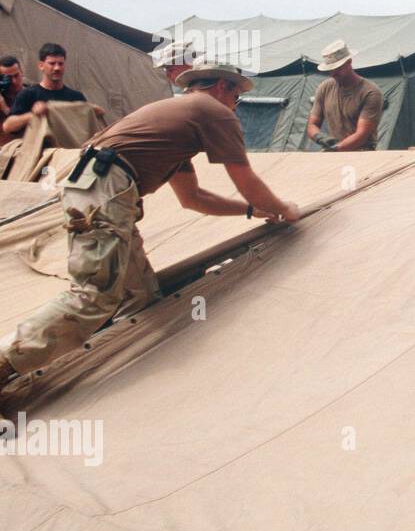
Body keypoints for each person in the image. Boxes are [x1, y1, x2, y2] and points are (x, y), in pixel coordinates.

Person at [0, 63, 301, 386]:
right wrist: (284, 209)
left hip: (99, 190)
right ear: (221, 88)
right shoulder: (213, 111)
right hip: (106, 192)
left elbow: (193, 197)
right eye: (236, 97)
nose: (235, 106)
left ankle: (107, 360)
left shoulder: (177, 121)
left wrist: (250, 211)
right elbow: (245, 178)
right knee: (94, 294)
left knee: (139, 294)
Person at [0, 43, 105, 137]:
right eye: (52, 63)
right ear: (41, 65)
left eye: (60, 63)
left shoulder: (76, 97)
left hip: (70, 151)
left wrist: (91, 110)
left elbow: (87, 128)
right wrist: (33, 115)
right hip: (40, 153)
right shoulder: (28, 94)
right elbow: (8, 126)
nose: (57, 68)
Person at [306, 40, 383, 151]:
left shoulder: (370, 92)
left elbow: (362, 135)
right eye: (330, 69)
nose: (333, 73)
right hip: (336, 152)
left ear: (349, 62)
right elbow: (312, 124)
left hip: (362, 153)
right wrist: (320, 138)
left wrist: (336, 149)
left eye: (337, 68)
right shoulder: (325, 88)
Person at [0, 55, 24, 146]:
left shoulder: (33, 95)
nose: (14, 81)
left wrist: (4, 107)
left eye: (16, 75)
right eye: (8, 78)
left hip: (24, 150)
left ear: (22, 72)